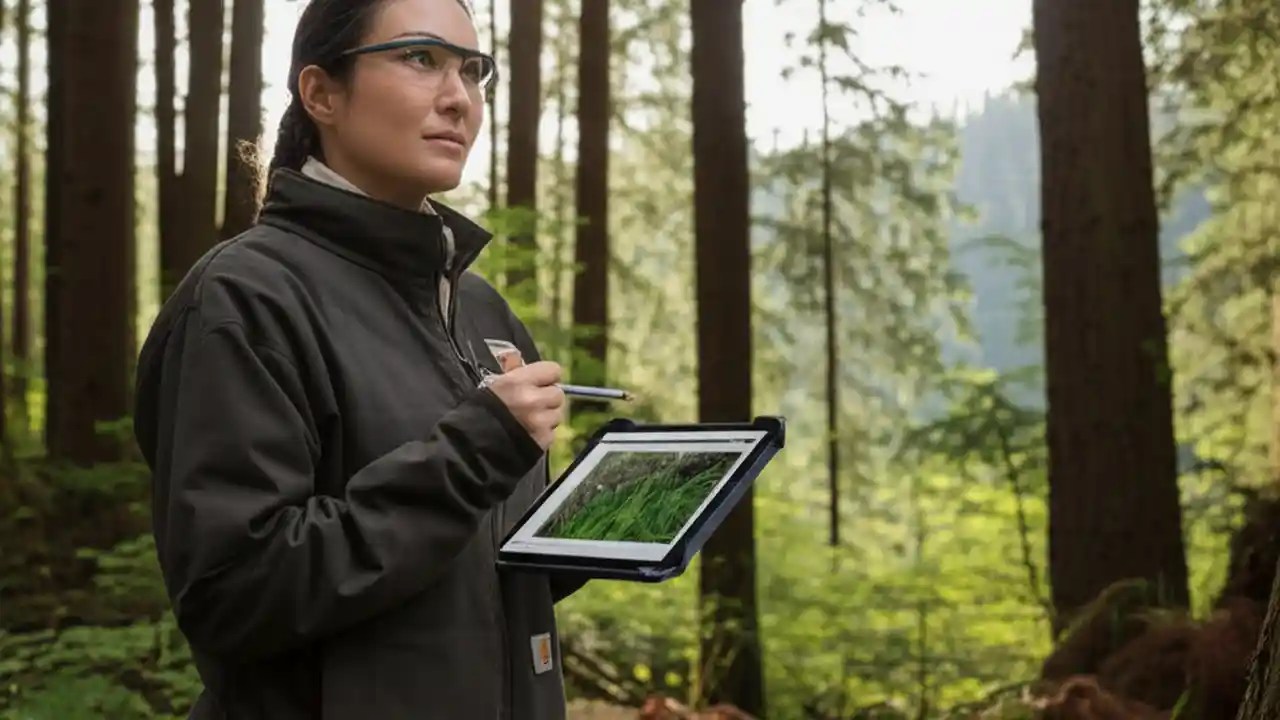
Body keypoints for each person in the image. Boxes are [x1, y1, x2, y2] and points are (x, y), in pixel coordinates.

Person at [132, 0, 584, 717]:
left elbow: (460, 572)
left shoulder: (483, 309)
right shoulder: (244, 298)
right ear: (322, 94)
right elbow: (235, 594)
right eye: (420, 58)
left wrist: (594, 528)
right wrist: (473, 455)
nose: (459, 97)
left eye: (473, 70)